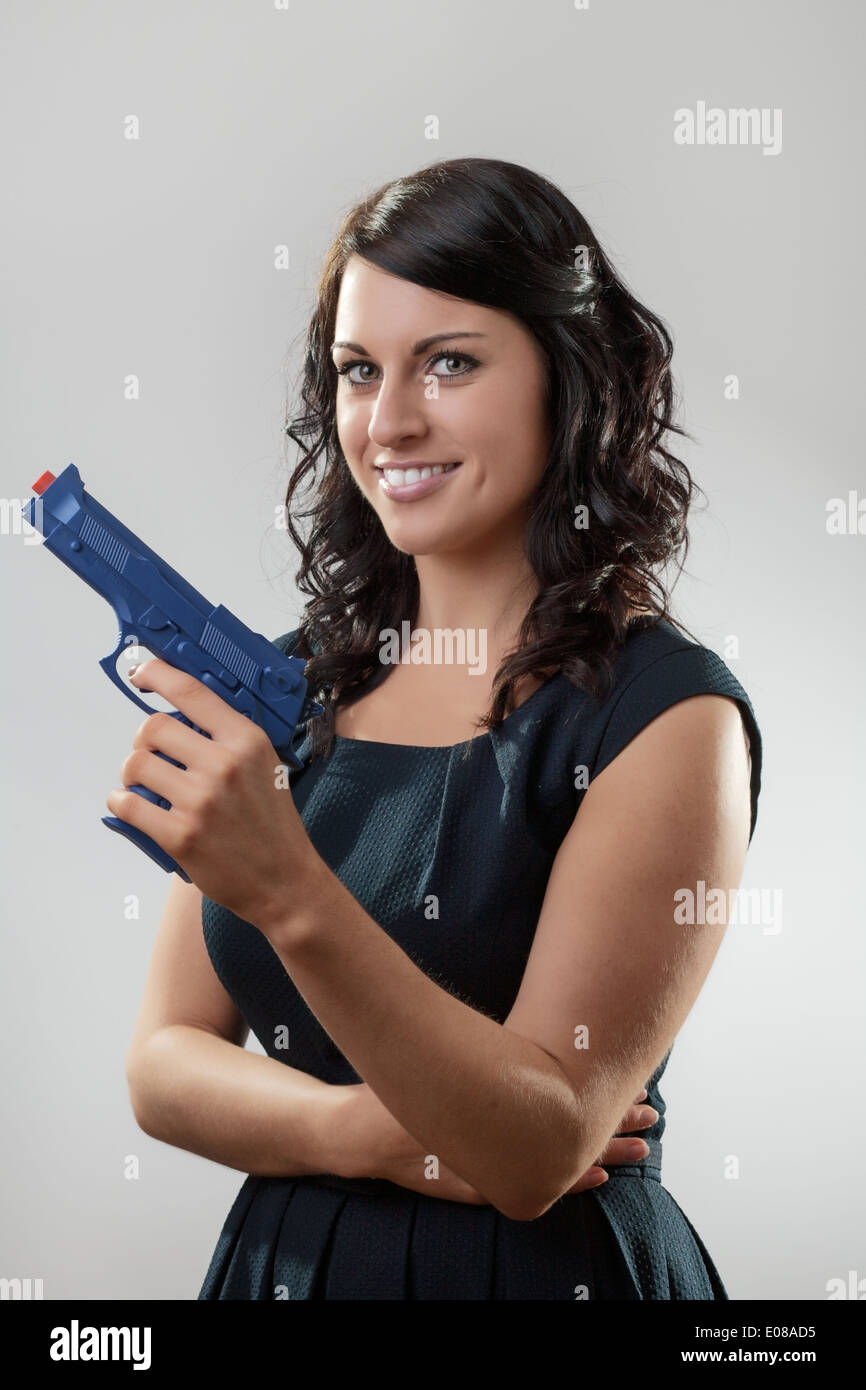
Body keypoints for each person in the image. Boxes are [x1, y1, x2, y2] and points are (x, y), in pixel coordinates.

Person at [119, 157, 762, 1300]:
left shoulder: (666, 717)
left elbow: (531, 1154)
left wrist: (288, 892)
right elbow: (163, 1067)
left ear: (570, 382)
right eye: (358, 371)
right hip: (283, 1270)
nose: (390, 421)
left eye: (449, 362)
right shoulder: (291, 683)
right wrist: (369, 1132)